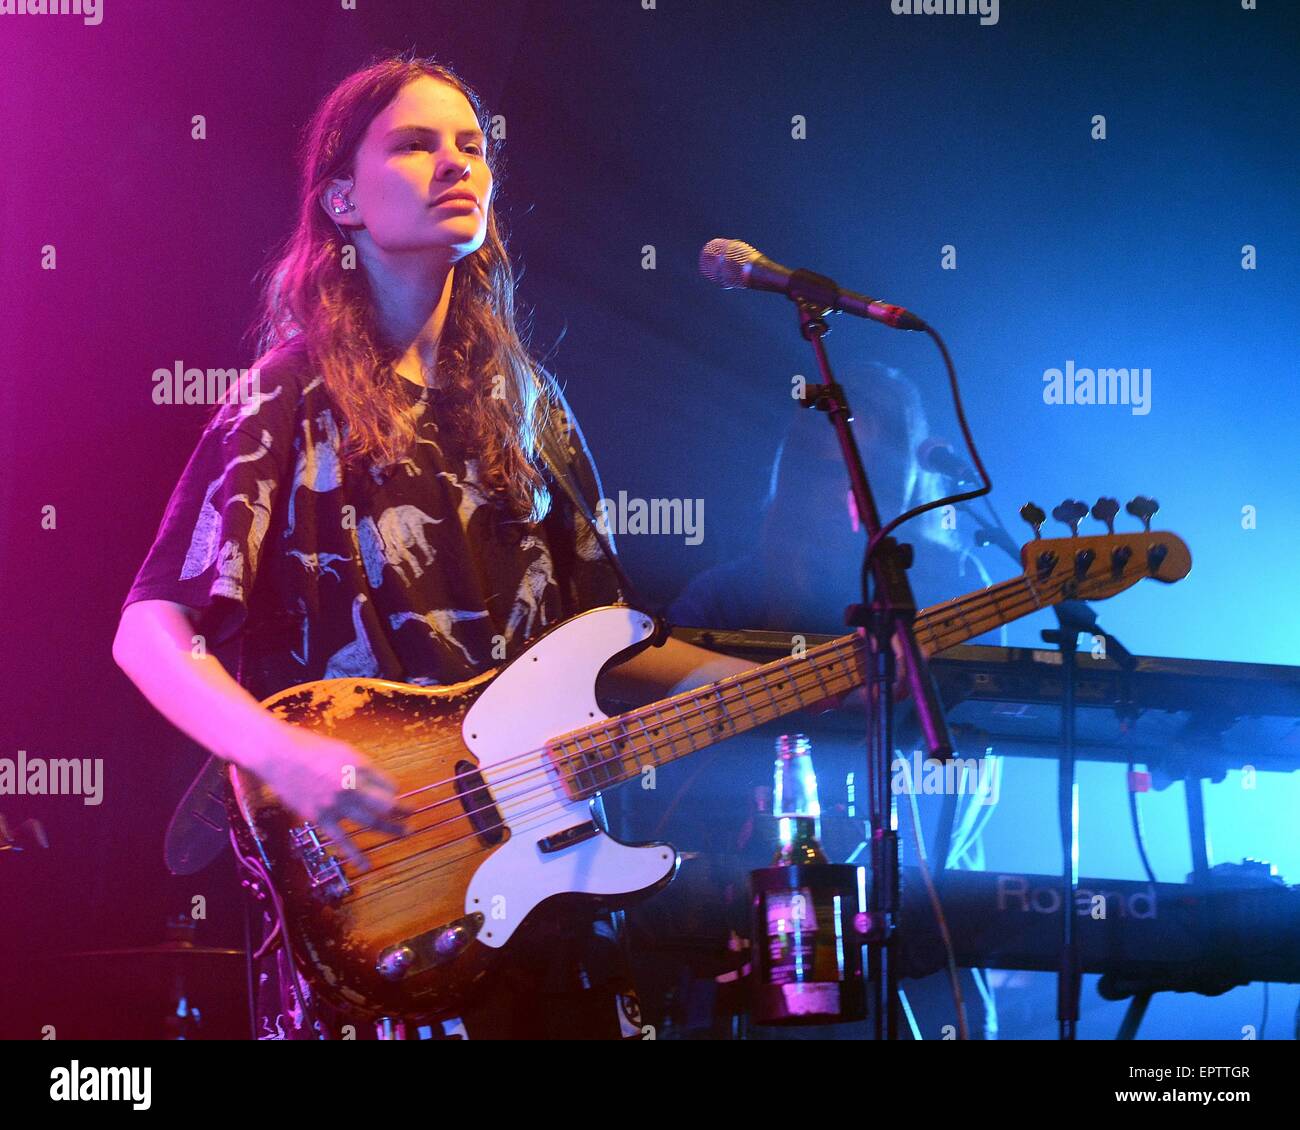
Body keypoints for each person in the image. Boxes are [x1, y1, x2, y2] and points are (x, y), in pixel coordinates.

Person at [111, 53, 768, 1040]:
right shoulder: (283, 398)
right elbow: (149, 630)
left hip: (548, 901)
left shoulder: (529, 405)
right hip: (379, 897)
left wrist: (802, 676)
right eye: (415, 145)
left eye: (471, 145)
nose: (456, 163)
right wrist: (280, 754)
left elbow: (608, 638)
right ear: (341, 200)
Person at [623, 364, 1004, 1039]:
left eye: (871, 481)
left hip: (920, 921)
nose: (847, 500)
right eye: (825, 476)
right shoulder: (729, 596)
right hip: (751, 922)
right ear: (792, 478)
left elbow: (981, 768)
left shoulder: (956, 587)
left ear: (909, 484)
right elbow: (646, 706)